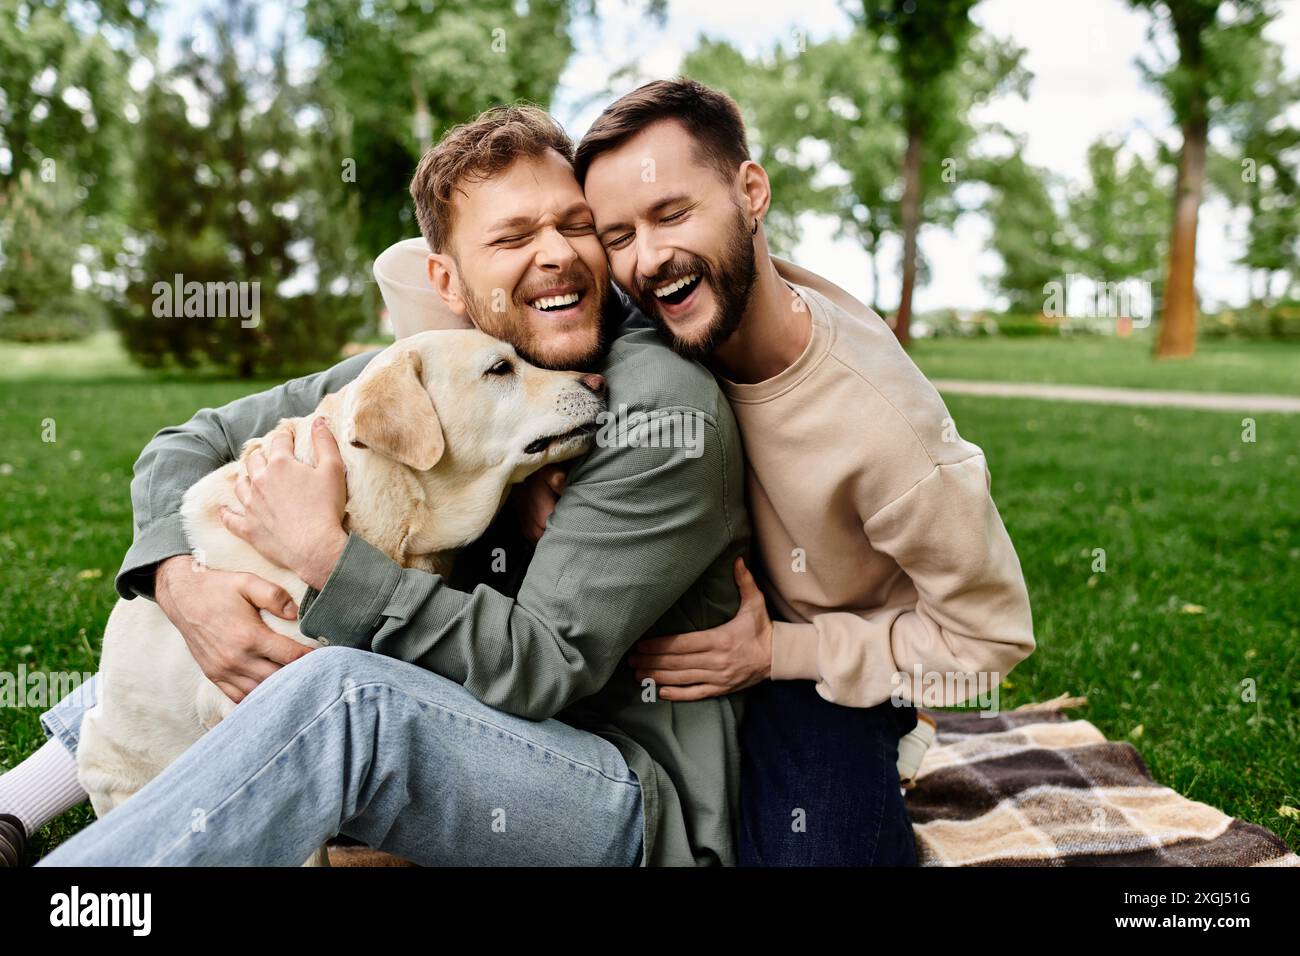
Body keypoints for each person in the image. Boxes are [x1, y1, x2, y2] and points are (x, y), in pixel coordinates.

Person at [7, 105, 752, 866]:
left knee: (340, 695)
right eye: (514, 237)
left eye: (575, 224)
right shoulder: (460, 356)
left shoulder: (656, 409)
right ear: (448, 282)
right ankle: (15, 806)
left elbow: (537, 667)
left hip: (623, 797)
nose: (557, 254)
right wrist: (182, 582)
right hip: (466, 717)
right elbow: (192, 441)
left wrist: (324, 555)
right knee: (232, 616)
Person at [573, 79, 1037, 865]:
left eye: (673, 213)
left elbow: (988, 645)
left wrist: (779, 654)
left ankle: (894, 743)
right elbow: (432, 262)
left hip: (819, 660)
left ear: (750, 191)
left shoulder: (892, 434)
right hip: (684, 627)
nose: (648, 259)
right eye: (618, 235)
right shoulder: (654, 316)